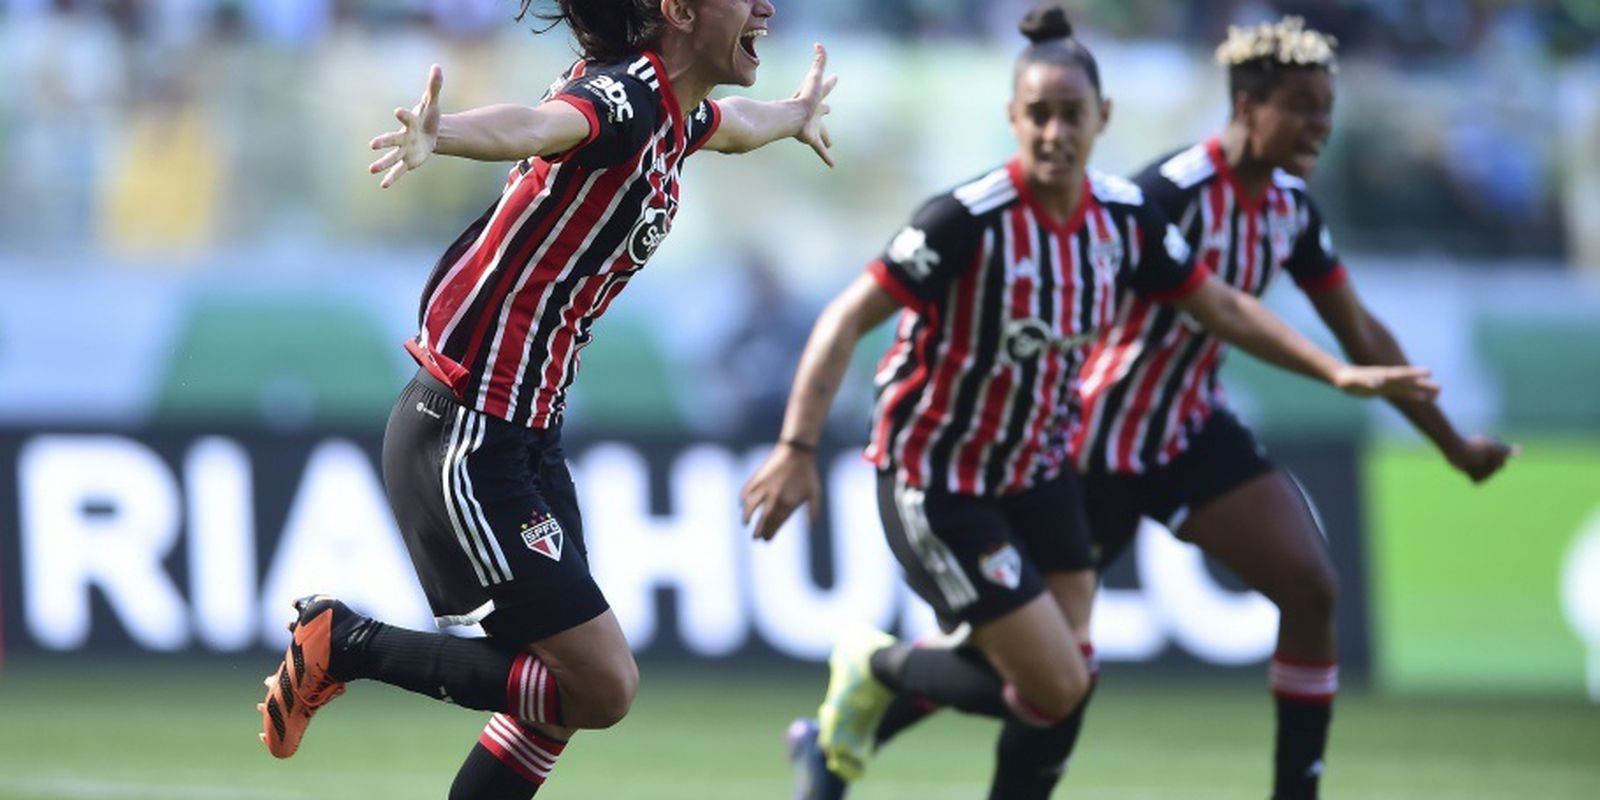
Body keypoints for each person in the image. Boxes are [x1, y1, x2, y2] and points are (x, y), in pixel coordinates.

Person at [739, 8, 1437, 800]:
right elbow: (844, 318)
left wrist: (1336, 373)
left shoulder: (1124, 220)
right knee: (1058, 686)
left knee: (1063, 682)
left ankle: (842, 731)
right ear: (1013, 118)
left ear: (1102, 119)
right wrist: (796, 449)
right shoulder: (966, 220)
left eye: (1071, 115)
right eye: (1038, 114)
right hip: (939, 476)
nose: (1054, 132)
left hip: (1039, 471)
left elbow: (1225, 307)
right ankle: (873, 666)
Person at [254, 2, 838, 798]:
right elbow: (538, 124)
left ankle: (350, 644)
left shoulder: (675, 115)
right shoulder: (626, 99)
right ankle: (346, 641)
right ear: (678, 11)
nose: (766, 6)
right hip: (467, 429)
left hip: (525, 435)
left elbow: (731, 124)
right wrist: (445, 134)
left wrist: (794, 116)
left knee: (553, 699)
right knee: (600, 686)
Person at [1065, 17, 1515, 799]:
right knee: (1018, 663)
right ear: (1247, 104)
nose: (1321, 126)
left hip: (1188, 433)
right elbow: (1080, 297)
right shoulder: (1166, 194)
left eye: (1327, 108)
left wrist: (1451, 444)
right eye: (1303, 107)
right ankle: (862, 707)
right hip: (1090, 443)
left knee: (1311, 588)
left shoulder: (1292, 211)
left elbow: (1361, 329)